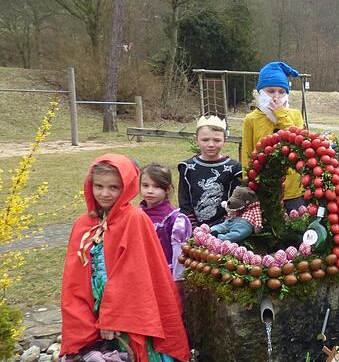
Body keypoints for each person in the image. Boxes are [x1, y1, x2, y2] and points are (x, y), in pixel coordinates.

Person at [61, 154, 190, 361]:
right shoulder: (84, 225)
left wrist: (113, 319)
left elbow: (134, 275)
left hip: (129, 313)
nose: (104, 194)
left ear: (126, 187)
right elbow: (73, 280)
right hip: (93, 308)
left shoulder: (134, 219)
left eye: (113, 187)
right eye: (99, 186)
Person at [242, 61, 306, 212]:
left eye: (281, 92)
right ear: (261, 92)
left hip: (293, 191)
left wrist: (281, 115)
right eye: (271, 91)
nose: (276, 97)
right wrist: (248, 182)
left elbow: (299, 141)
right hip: (263, 188)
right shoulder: (251, 119)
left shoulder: (295, 115)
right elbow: (247, 153)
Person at [178, 115, 242, 227]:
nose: (211, 144)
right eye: (205, 140)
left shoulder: (234, 168)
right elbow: (185, 201)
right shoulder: (187, 167)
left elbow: (236, 201)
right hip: (194, 227)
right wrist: (192, 227)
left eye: (217, 140)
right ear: (196, 139)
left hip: (225, 227)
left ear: (225, 140)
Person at [139, 163, 192, 295]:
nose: (150, 191)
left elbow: (179, 256)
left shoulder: (175, 220)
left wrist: (177, 282)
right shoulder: (135, 215)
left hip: (165, 278)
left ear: (167, 189)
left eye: (156, 186)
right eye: (145, 185)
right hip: (140, 276)